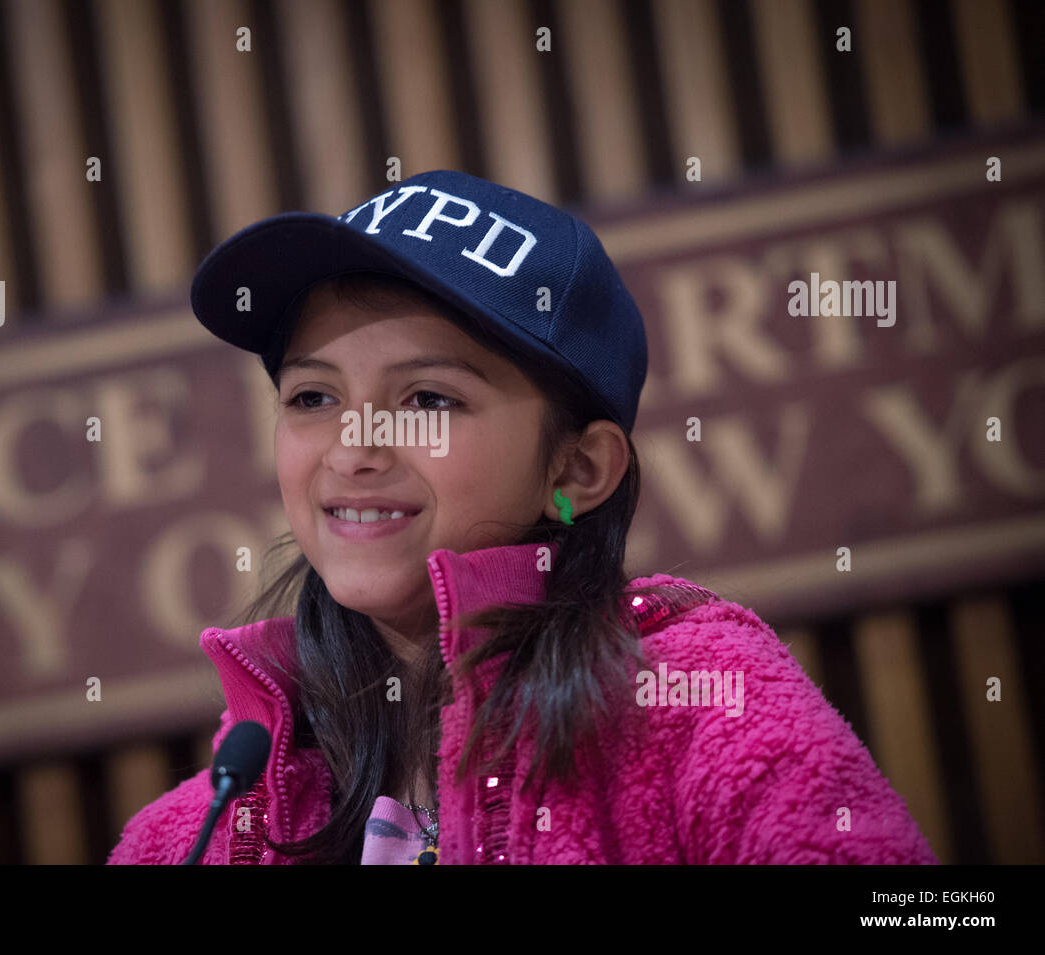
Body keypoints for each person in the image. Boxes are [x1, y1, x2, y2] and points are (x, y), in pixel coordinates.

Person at [107, 170, 938, 865]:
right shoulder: (192, 832)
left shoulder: (700, 699)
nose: (351, 449)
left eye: (428, 398)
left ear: (575, 468)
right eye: (314, 396)